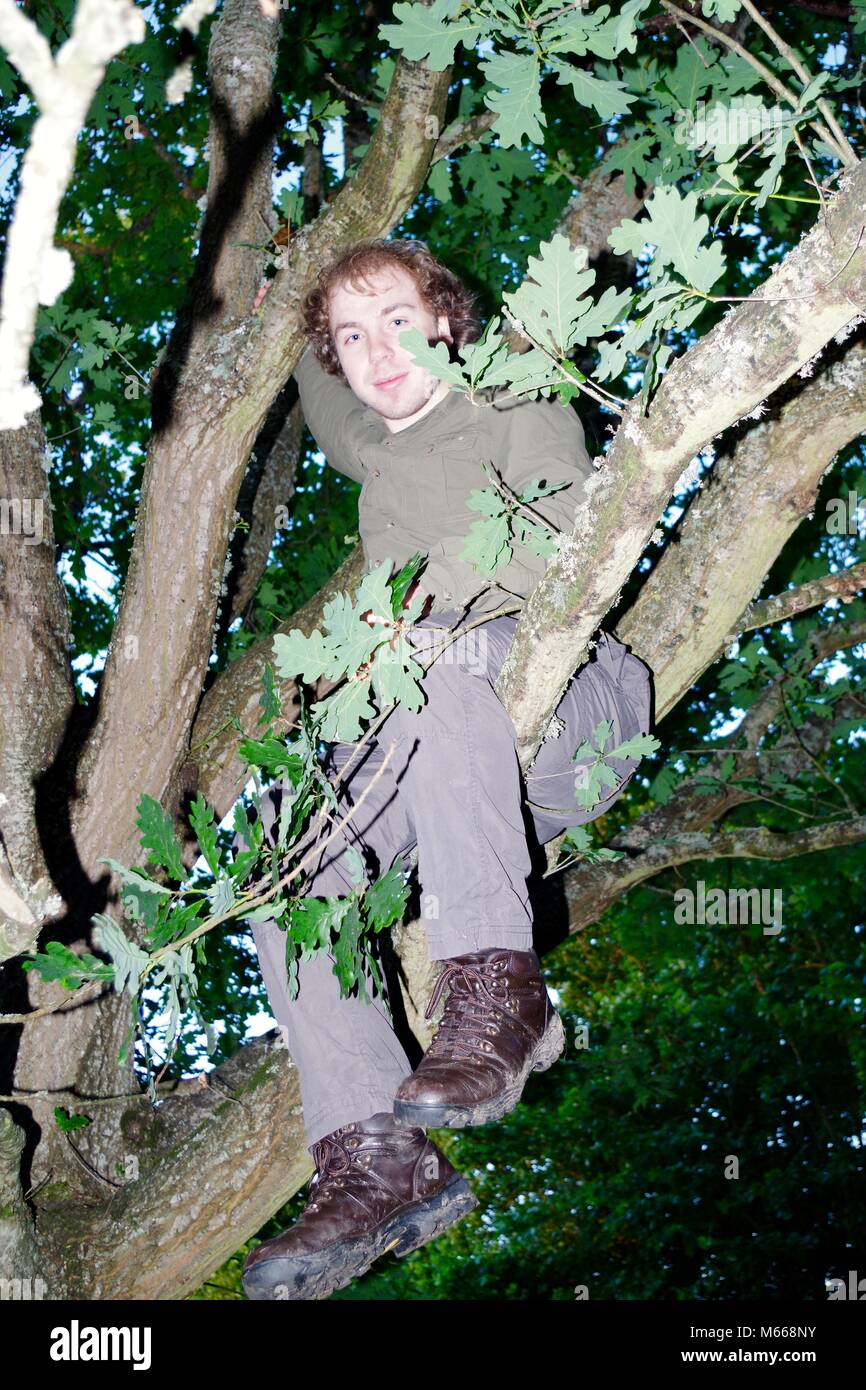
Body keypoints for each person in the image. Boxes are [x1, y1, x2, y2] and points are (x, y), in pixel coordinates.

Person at [239, 237, 653, 1300]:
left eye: (394, 319)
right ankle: (378, 1159)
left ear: (448, 320)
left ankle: (495, 987)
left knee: (427, 654)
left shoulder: (513, 391)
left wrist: (412, 623)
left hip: (569, 708)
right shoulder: (373, 443)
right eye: (349, 337)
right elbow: (320, 390)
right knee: (282, 845)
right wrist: (285, 288)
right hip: (434, 749)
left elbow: (572, 540)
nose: (374, 351)